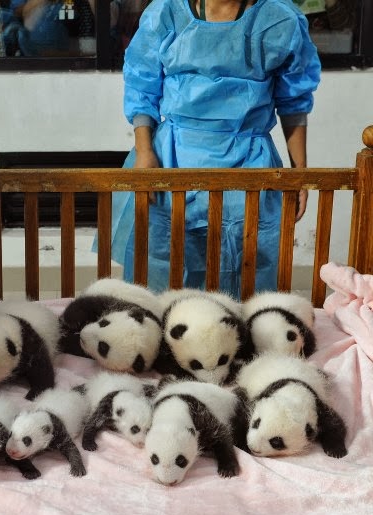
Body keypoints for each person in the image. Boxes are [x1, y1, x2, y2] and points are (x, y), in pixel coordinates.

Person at [108, 0, 321, 298]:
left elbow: (294, 101)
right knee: (162, 268)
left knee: (244, 271)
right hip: (172, 157)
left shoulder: (278, 20)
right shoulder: (167, 13)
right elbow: (142, 86)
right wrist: (144, 152)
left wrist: (300, 174)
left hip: (248, 160)